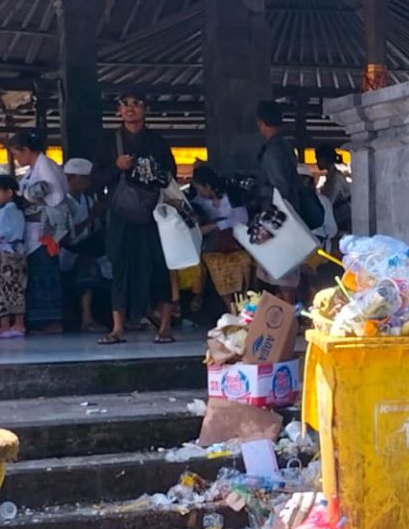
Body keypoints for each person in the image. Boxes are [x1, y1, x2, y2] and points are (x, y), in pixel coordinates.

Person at [92, 91, 176, 345]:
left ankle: (165, 325)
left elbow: (170, 176)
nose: (130, 109)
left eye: (136, 104)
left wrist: (151, 170)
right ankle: (118, 327)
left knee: (159, 266)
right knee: (120, 266)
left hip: (153, 215)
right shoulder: (108, 142)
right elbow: (95, 179)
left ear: (145, 109)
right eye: (124, 104)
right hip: (121, 214)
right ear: (118, 111)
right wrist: (116, 167)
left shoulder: (157, 142)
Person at [253, 100, 318, 303]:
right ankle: (286, 317)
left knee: (282, 273)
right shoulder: (284, 146)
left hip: (279, 216)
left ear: (261, 123)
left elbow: (280, 188)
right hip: (284, 213)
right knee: (278, 272)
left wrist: (269, 219)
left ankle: (287, 320)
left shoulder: (274, 151)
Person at [7, 131, 66, 334]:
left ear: (26, 150)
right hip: (32, 229)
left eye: (17, 154)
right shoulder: (33, 170)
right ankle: (41, 320)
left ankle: (51, 320)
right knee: (37, 273)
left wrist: (31, 198)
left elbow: (56, 197)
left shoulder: (46, 167)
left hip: (44, 228)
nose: (17, 159)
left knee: (45, 274)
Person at [189, 163, 252, 308]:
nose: (198, 192)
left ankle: (243, 304)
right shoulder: (197, 202)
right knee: (217, 266)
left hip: (236, 242)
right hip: (212, 246)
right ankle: (231, 306)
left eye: (200, 188)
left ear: (208, 186)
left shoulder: (231, 196)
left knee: (243, 262)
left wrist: (216, 225)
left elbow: (242, 219)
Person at [61, 158, 111, 333]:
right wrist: (91, 216)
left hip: (88, 247)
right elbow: (65, 236)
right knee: (86, 267)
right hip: (67, 252)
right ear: (70, 178)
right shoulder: (61, 202)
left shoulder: (88, 200)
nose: (87, 183)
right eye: (83, 179)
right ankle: (86, 318)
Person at [0, 175, 27, 339]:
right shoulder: (17, 211)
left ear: (9, 192)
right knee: (14, 288)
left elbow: (2, 233)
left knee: (7, 288)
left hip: (8, 253)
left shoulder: (5, 212)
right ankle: (14, 323)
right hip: (17, 252)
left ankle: (10, 324)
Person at [315, 145, 351, 235]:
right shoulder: (330, 177)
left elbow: (329, 201)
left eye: (318, 159)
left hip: (343, 218)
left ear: (325, 159)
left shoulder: (336, 178)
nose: (316, 162)